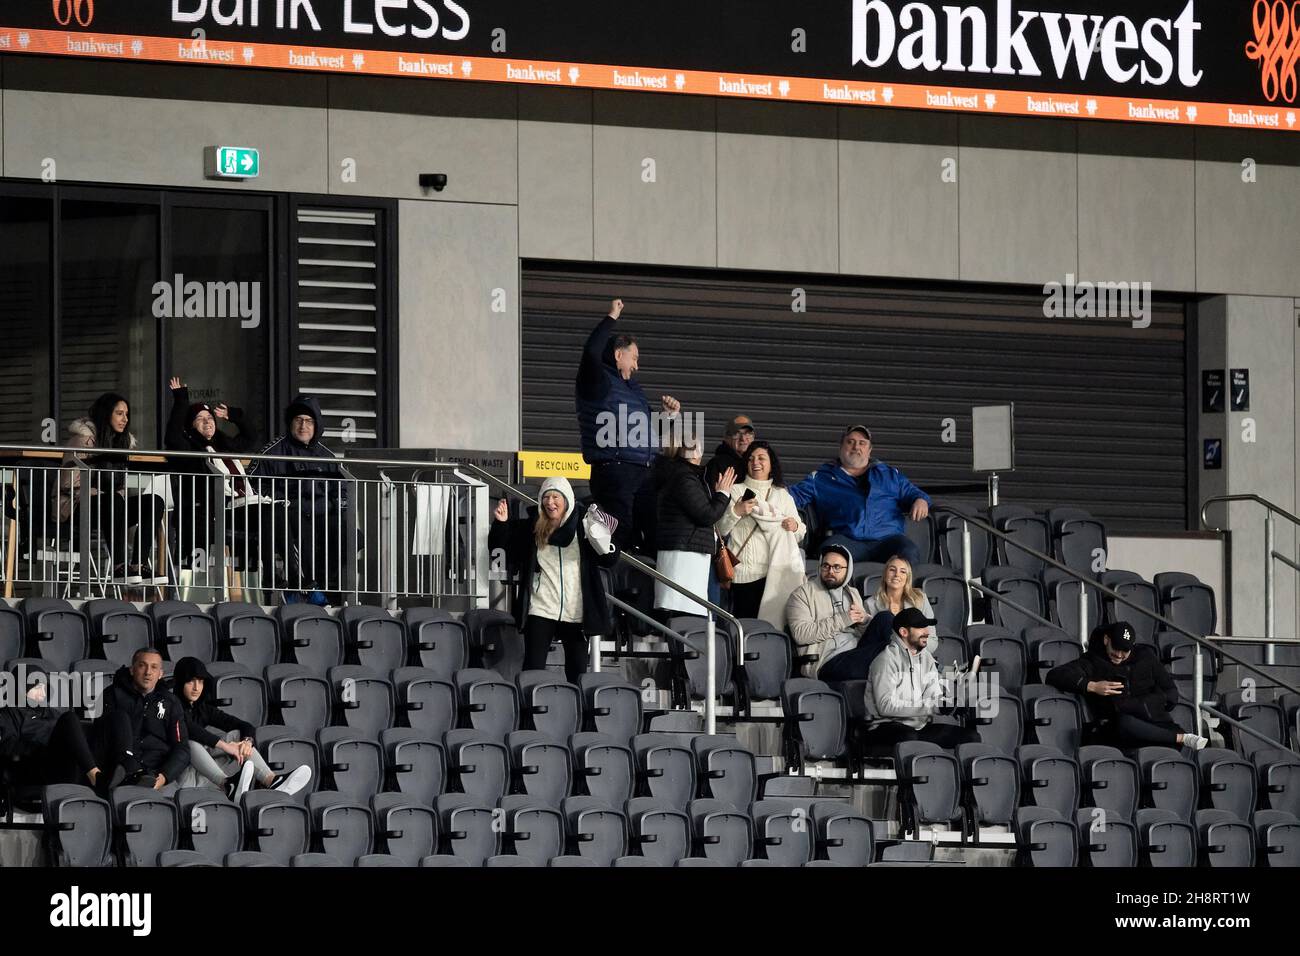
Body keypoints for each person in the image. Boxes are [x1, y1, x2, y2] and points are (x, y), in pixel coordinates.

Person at [575, 297, 681, 553]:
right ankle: (604, 577)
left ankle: (638, 579)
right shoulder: (597, 381)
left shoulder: (633, 389)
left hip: (642, 473)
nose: (636, 365)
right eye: (634, 358)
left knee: (652, 536)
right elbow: (591, 352)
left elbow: (648, 432)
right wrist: (611, 317)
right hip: (615, 471)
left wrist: (668, 416)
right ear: (618, 354)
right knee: (617, 537)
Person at [489, 477, 617, 684]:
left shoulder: (584, 525)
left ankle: (576, 705)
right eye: (546, 497)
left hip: (576, 611)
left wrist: (602, 538)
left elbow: (610, 560)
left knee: (577, 672)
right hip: (541, 607)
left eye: (556, 497)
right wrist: (501, 524)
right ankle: (530, 704)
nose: (550, 502)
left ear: (567, 500)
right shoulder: (532, 526)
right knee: (533, 669)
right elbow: (504, 550)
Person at [164, 377, 284, 590]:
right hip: (217, 510)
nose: (207, 422)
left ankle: (279, 575)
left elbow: (251, 437)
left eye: (209, 417)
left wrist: (233, 415)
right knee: (269, 513)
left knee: (277, 513)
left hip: (242, 506)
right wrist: (181, 400)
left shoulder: (225, 445)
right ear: (191, 425)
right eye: (200, 419)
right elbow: (172, 436)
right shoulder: (190, 448)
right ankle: (271, 576)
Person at [248, 394, 350, 605]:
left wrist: (332, 506)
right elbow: (254, 485)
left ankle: (323, 585)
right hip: (289, 514)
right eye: (299, 420)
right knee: (301, 529)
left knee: (351, 537)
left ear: (317, 425)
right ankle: (306, 587)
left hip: (322, 513)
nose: (304, 426)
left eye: (309, 421)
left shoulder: (327, 456)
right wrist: (285, 501)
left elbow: (341, 491)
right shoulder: (272, 451)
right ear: (290, 422)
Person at [56, 392, 167, 584]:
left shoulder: (122, 443)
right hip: (76, 507)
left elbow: (120, 485)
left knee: (154, 501)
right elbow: (69, 483)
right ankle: (119, 566)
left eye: (126, 414)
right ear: (106, 414)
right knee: (113, 499)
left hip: (111, 508)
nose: (125, 419)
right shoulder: (82, 441)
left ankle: (138, 565)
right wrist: (102, 494)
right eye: (119, 413)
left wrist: (114, 497)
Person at [1047, 621, 1207, 751]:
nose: (1119, 655)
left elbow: (1171, 693)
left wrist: (1148, 703)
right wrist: (1092, 686)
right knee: (1124, 723)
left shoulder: (1145, 657)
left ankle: (1177, 737)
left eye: (1125, 651)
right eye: (1116, 648)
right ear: (1106, 639)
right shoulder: (1092, 660)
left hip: (1151, 721)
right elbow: (1054, 675)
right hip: (1114, 728)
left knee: (1172, 733)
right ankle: (1181, 738)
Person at [789, 426, 930, 565]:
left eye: (862, 443)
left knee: (908, 552)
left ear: (869, 450)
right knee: (830, 557)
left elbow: (915, 493)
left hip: (888, 540)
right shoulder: (821, 478)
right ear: (841, 447)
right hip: (846, 540)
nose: (856, 447)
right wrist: (775, 491)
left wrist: (921, 500)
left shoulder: (889, 475)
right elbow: (791, 496)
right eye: (850, 442)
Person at [171, 657, 310, 798]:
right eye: (191, 681)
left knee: (237, 735)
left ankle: (271, 781)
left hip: (204, 774)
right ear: (181, 682)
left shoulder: (202, 709)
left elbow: (244, 725)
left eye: (200, 681)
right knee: (189, 742)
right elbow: (190, 729)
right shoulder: (170, 705)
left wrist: (247, 742)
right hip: (183, 777)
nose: (196, 687)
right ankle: (226, 785)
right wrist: (226, 747)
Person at [714, 440, 805, 624]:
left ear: (771, 464)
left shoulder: (782, 494)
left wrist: (795, 526)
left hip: (775, 576)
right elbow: (720, 529)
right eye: (751, 458)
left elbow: (800, 532)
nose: (755, 462)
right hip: (743, 575)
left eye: (761, 458)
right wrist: (736, 511)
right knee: (746, 629)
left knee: (771, 629)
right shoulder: (736, 490)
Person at [863, 607, 978, 750]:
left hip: (918, 728)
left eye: (926, 627)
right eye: (920, 628)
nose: (927, 632)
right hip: (884, 727)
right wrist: (933, 706)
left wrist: (949, 705)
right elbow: (885, 706)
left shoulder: (926, 658)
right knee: (909, 737)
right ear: (903, 632)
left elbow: (933, 696)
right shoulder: (885, 660)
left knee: (971, 737)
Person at [652, 439, 734, 616]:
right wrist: (723, 494)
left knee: (684, 613)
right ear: (698, 453)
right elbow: (706, 515)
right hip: (685, 555)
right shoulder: (684, 477)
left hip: (685, 553)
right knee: (684, 614)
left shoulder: (681, 474)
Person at [94, 648, 189, 794]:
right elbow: (100, 739)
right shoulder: (112, 695)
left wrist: (164, 777)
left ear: (160, 674)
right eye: (142, 665)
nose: (148, 672)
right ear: (132, 670)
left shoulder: (171, 702)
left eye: (154, 667)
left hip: (157, 775)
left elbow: (182, 747)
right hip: (120, 774)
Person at [0, 668, 105, 792]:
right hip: (39, 768)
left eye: (44, 688)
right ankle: (95, 776)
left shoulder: (51, 712)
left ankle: (114, 773)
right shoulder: (9, 714)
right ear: (22, 688)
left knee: (111, 719)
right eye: (38, 688)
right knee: (70, 718)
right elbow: (7, 748)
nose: (43, 693)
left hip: (68, 764)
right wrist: (39, 746)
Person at [786, 543, 870, 678]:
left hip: (856, 651)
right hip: (827, 660)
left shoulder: (852, 593)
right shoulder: (801, 594)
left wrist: (864, 621)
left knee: (884, 619)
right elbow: (801, 634)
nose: (830, 571)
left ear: (848, 570)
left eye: (837, 567)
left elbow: (863, 634)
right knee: (879, 659)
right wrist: (843, 619)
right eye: (826, 566)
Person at [704, 415, 755, 489]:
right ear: (726, 438)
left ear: (753, 437)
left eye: (747, 433)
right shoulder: (717, 465)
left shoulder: (756, 463)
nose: (743, 439)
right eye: (737, 434)